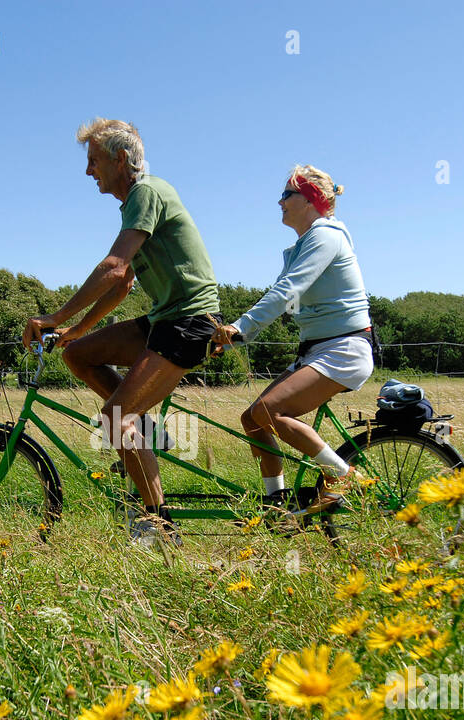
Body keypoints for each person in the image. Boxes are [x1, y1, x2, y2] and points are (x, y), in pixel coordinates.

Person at [23, 118, 223, 545]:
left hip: (188, 322)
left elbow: (113, 267)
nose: (88, 170)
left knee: (114, 417)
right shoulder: (135, 201)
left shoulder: (146, 193)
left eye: (93, 160)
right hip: (165, 319)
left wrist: (53, 319)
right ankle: (144, 431)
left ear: (119, 159)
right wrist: (78, 330)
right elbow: (124, 283)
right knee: (78, 355)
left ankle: (158, 523)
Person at [211, 164, 374, 512]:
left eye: (287, 194)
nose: (280, 201)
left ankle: (342, 476)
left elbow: (287, 290)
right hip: (319, 350)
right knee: (252, 418)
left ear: (311, 198)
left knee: (270, 410)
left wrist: (241, 327)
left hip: (343, 348)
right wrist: (238, 336)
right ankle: (276, 503)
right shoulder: (305, 243)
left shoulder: (326, 235)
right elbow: (284, 295)